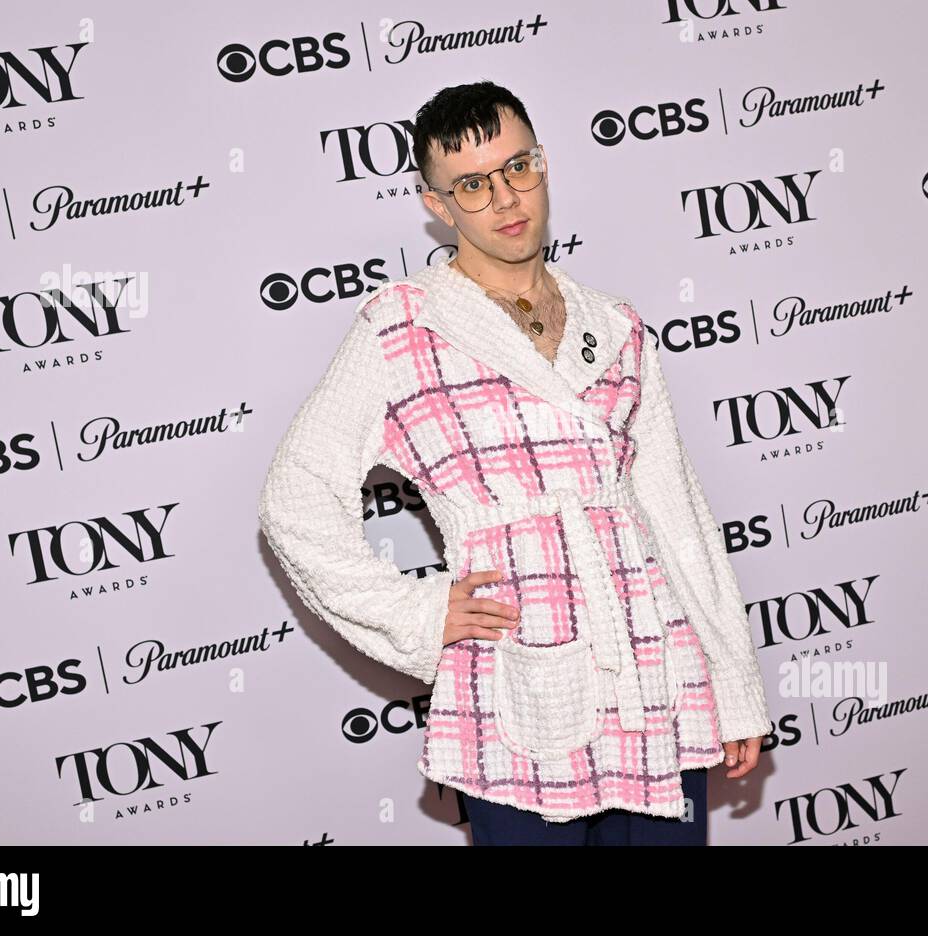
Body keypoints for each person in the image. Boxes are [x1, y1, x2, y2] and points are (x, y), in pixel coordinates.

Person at [257, 81, 774, 846]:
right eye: (472, 183)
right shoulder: (404, 324)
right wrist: (418, 613)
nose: (505, 197)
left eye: (518, 167)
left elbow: (674, 511)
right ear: (438, 204)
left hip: (654, 672)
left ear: (543, 164)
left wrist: (732, 685)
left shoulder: (616, 324)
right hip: (521, 676)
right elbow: (293, 499)